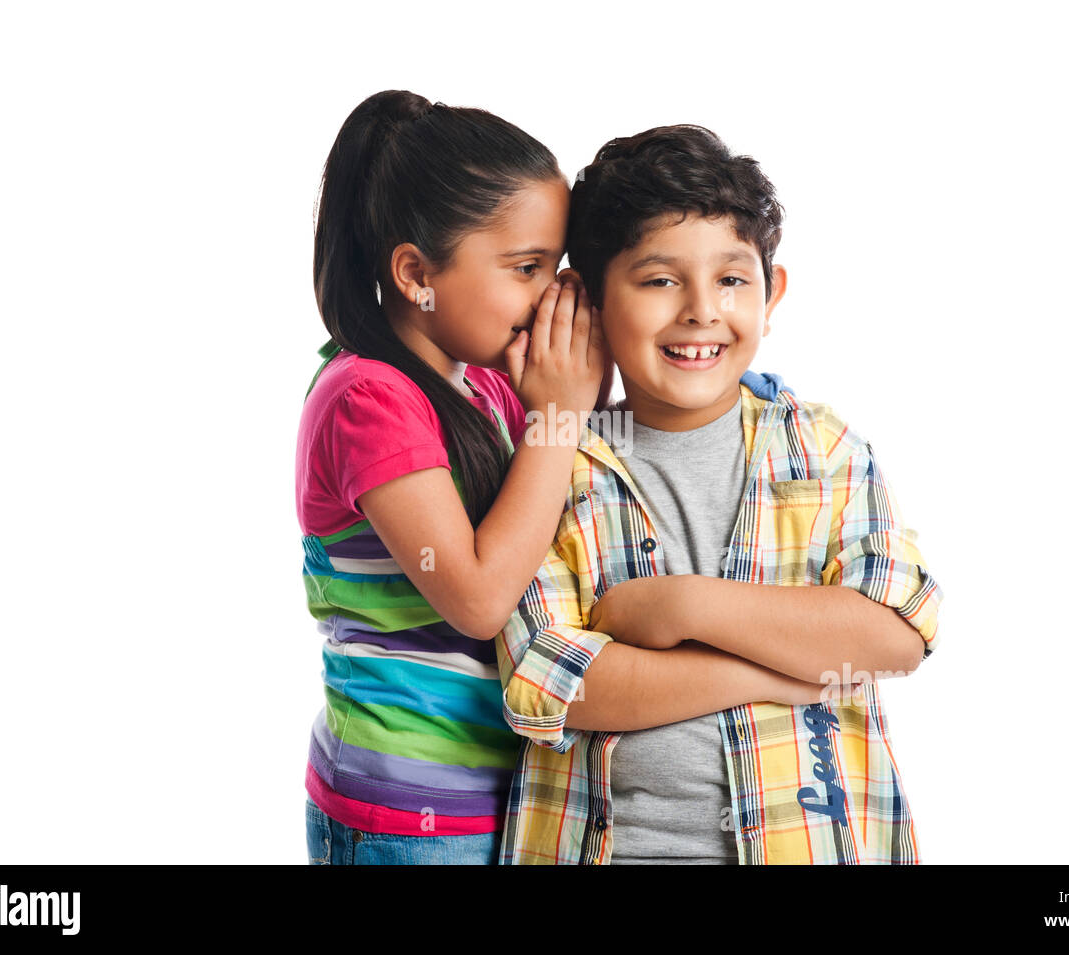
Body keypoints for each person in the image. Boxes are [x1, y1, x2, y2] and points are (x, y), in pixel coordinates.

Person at [495, 125, 945, 864]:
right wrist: (774, 671)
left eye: (732, 279)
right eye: (659, 280)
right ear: (590, 301)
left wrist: (684, 606)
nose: (702, 310)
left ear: (773, 295)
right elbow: (548, 684)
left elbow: (895, 633)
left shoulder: (823, 449)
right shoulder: (554, 463)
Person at [297, 90, 608, 864]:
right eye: (525, 268)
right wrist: (558, 418)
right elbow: (475, 597)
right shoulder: (368, 398)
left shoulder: (489, 387)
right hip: (403, 818)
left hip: (504, 804)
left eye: (556, 268)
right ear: (416, 274)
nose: (548, 295)